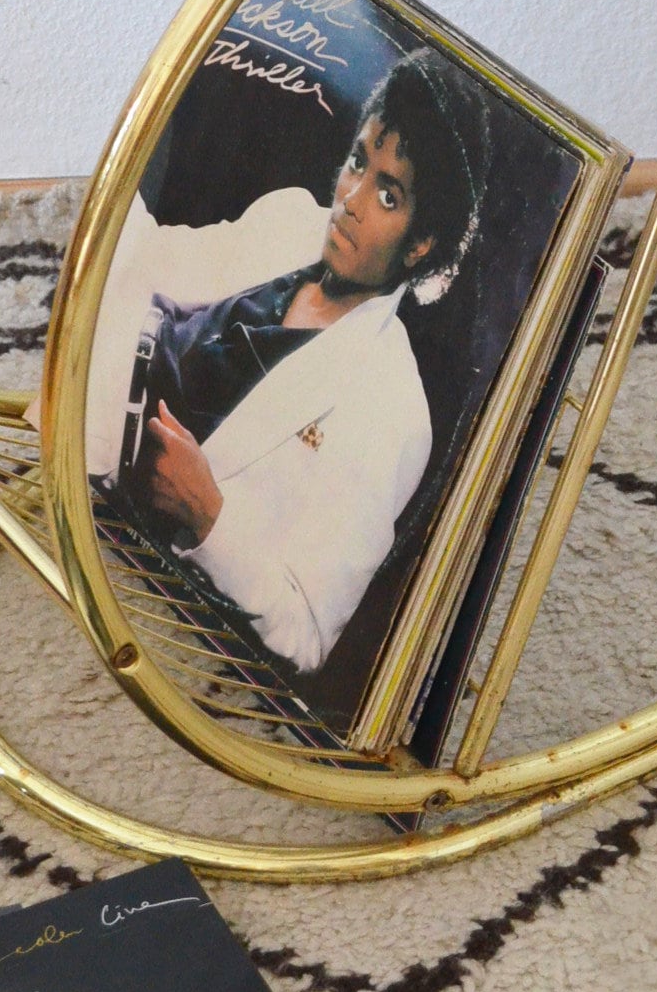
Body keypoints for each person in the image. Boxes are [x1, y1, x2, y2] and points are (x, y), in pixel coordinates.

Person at [89, 49, 487, 674]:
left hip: (137, 570)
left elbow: (304, 635)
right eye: (358, 161)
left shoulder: (391, 408)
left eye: (388, 194)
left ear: (423, 243)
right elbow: (147, 262)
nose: (351, 198)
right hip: (84, 434)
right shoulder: (292, 220)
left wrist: (208, 513)